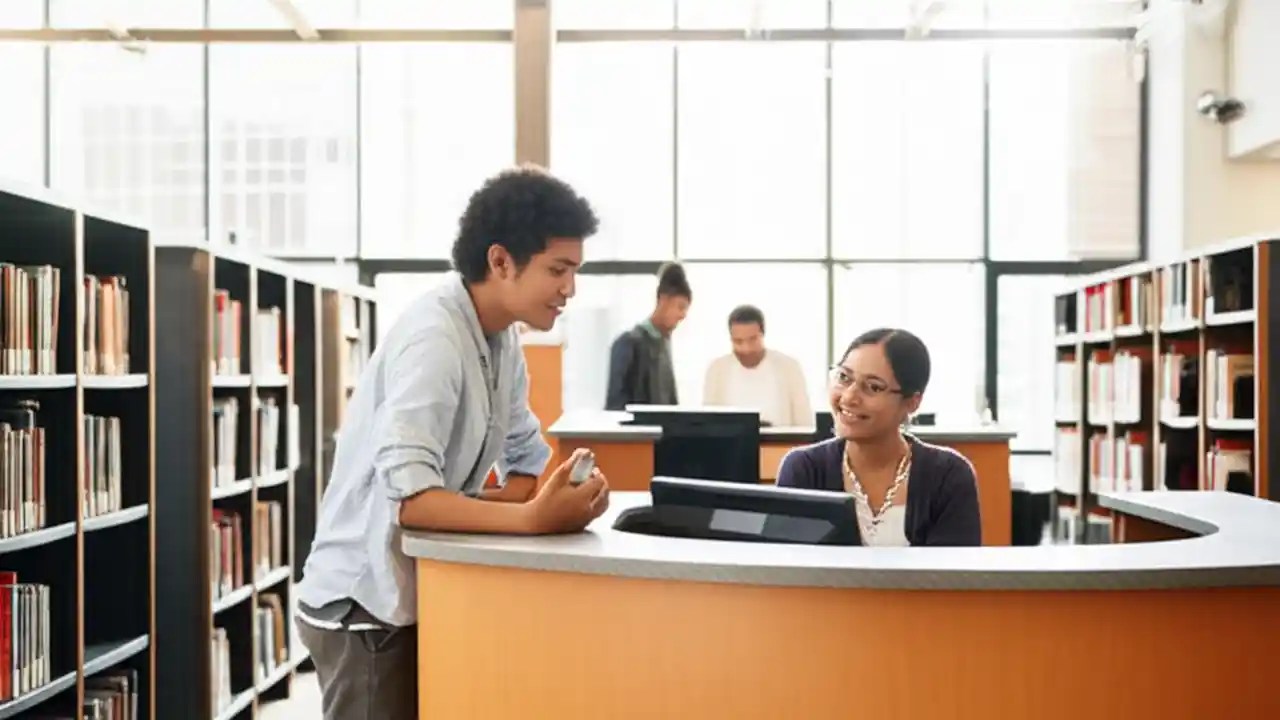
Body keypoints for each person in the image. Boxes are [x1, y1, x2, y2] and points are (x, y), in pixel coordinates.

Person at [294, 165, 612, 720]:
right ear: (501, 261)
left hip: (414, 594)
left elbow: (524, 461)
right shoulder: (434, 337)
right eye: (558, 269)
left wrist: (546, 500)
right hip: (363, 607)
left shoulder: (502, 339)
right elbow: (413, 503)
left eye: (575, 271)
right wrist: (533, 518)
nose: (570, 289)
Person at [776, 327, 980, 546]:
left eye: (873, 387)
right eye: (844, 377)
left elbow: (952, 568)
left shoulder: (948, 476)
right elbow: (786, 564)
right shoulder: (803, 470)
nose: (849, 397)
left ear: (912, 402)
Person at [702, 305, 812, 427]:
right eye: (738, 341)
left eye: (752, 339)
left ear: (762, 334)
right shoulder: (717, 370)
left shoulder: (789, 367)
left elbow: (804, 423)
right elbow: (709, 423)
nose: (746, 348)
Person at [604, 261, 691, 410]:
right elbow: (615, 406)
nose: (683, 315)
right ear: (663, 299)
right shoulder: (628, 343)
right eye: (680, 307)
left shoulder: (664, 346)